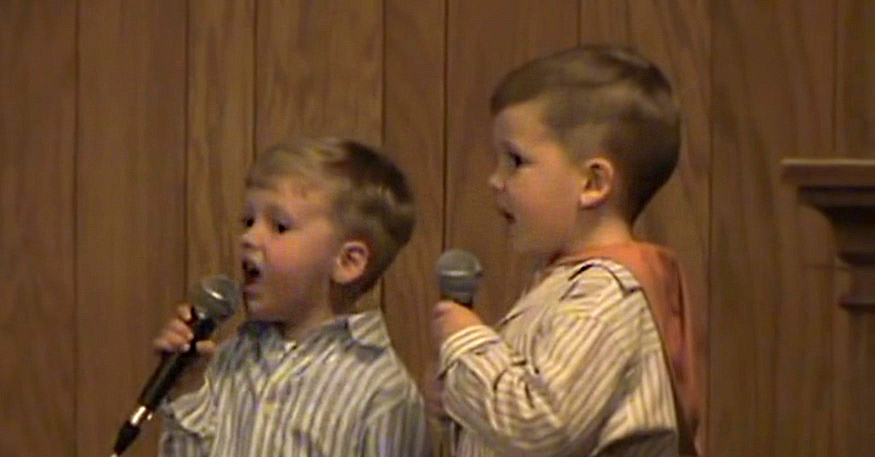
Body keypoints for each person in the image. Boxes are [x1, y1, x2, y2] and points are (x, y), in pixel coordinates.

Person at [430, 44, 701, 456]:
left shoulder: (606, 295)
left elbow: (540, 424)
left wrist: (466, 343)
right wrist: (459, 396)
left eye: (515, 161)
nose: (494, 180)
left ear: (593, 183)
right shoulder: (572, 285)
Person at [154, 138, 431, 456]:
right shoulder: (229, 361)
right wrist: (188, 390)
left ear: (348, 262)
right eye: (248, 221)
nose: (249, 237)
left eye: (279, 226)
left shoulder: (382, 392)